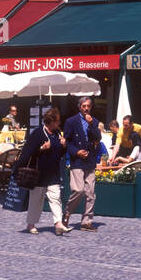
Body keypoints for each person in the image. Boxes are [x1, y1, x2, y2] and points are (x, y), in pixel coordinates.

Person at [19, 106, 70, 235]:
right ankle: (31, 224)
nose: (59, 123)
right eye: (57, 121)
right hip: (39, 173)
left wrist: (64, 146)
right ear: (51, 121)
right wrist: (41, 148)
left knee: (55, 197)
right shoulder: (38, 133)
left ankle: (58, 224)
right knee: (36, 200)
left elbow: (60, 152)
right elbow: (28, 152)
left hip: (53, 172)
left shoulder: (57, 133)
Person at [63, 97, 103, 230]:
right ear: (79, 107)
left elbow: (98, 138)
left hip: (90, 160)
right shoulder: (71, 121)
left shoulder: (94, 121)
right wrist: (76, 152)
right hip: (77, 161)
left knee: (90, 192)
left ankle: (86, 221)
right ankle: (67, 214)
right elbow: (66, 142)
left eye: (88, 106)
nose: (86, 108)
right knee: (78, 190)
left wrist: (92, 124)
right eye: (84, 106)